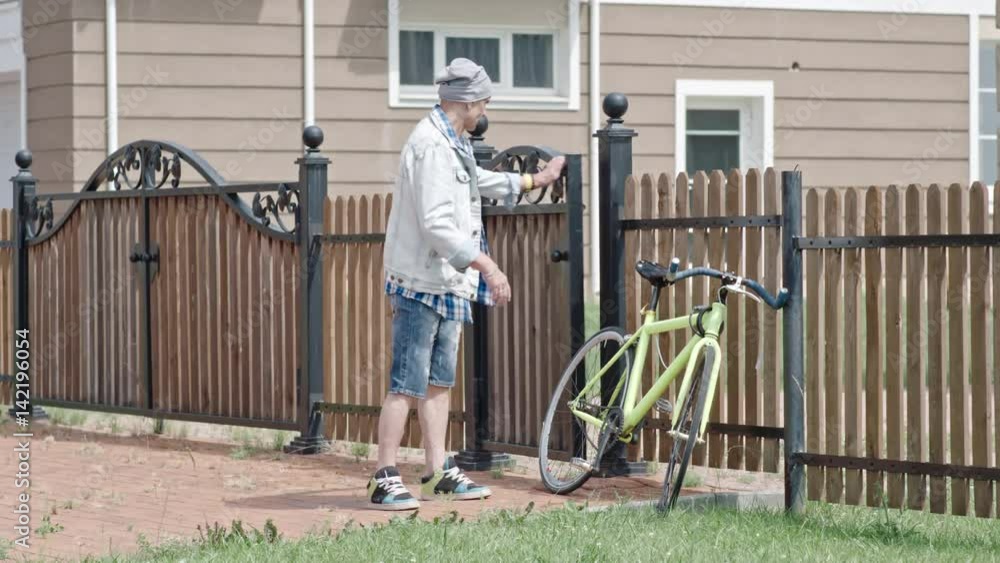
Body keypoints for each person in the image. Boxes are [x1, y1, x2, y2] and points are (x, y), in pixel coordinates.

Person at [367, 58, 566, 510]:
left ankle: (437, 473)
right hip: (421, 280)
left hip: (445, 282)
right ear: (470, 101)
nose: (487, 108)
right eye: (485, 101)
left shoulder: (450, 140)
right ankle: (383, 476)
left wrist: (537, 178)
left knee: (438, 382)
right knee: (406, 382)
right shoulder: (431, 145)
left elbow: (478, 182)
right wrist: (488, 267)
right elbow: (438, 225)